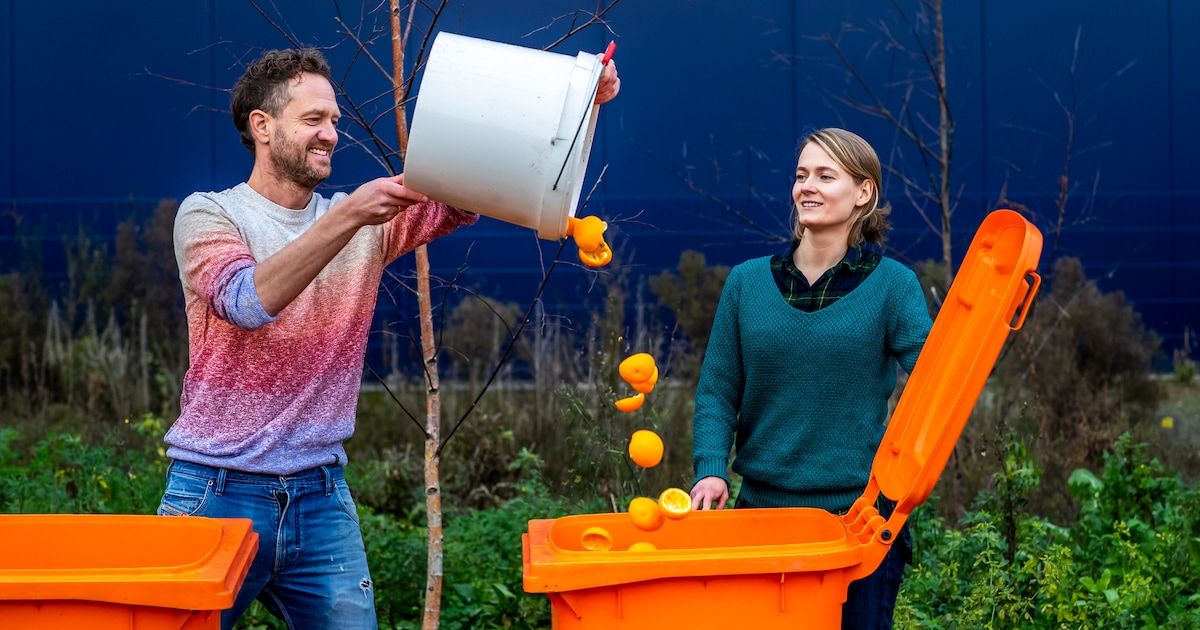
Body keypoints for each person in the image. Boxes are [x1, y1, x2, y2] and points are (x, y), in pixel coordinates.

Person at [158, 46, 619, 629]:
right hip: (215, 492)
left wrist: (575, 106)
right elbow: (247, 302)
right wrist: (349, 215)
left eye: (333, 121)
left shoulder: (365, 222)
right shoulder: (209, 215)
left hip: (320, 497)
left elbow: (469, 185)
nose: (331, 134)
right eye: (312, 119)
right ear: (262, 126)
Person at [689, 127, 931, 629]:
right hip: (760, 518)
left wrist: (905, 471)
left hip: (858, 522)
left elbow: (936, 384)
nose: (807, 187)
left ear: (863, 192)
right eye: (801, 175)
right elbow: (717, 391)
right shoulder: (746, 283)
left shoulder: (894, 286)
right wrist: (711, 467)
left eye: (825, 175)